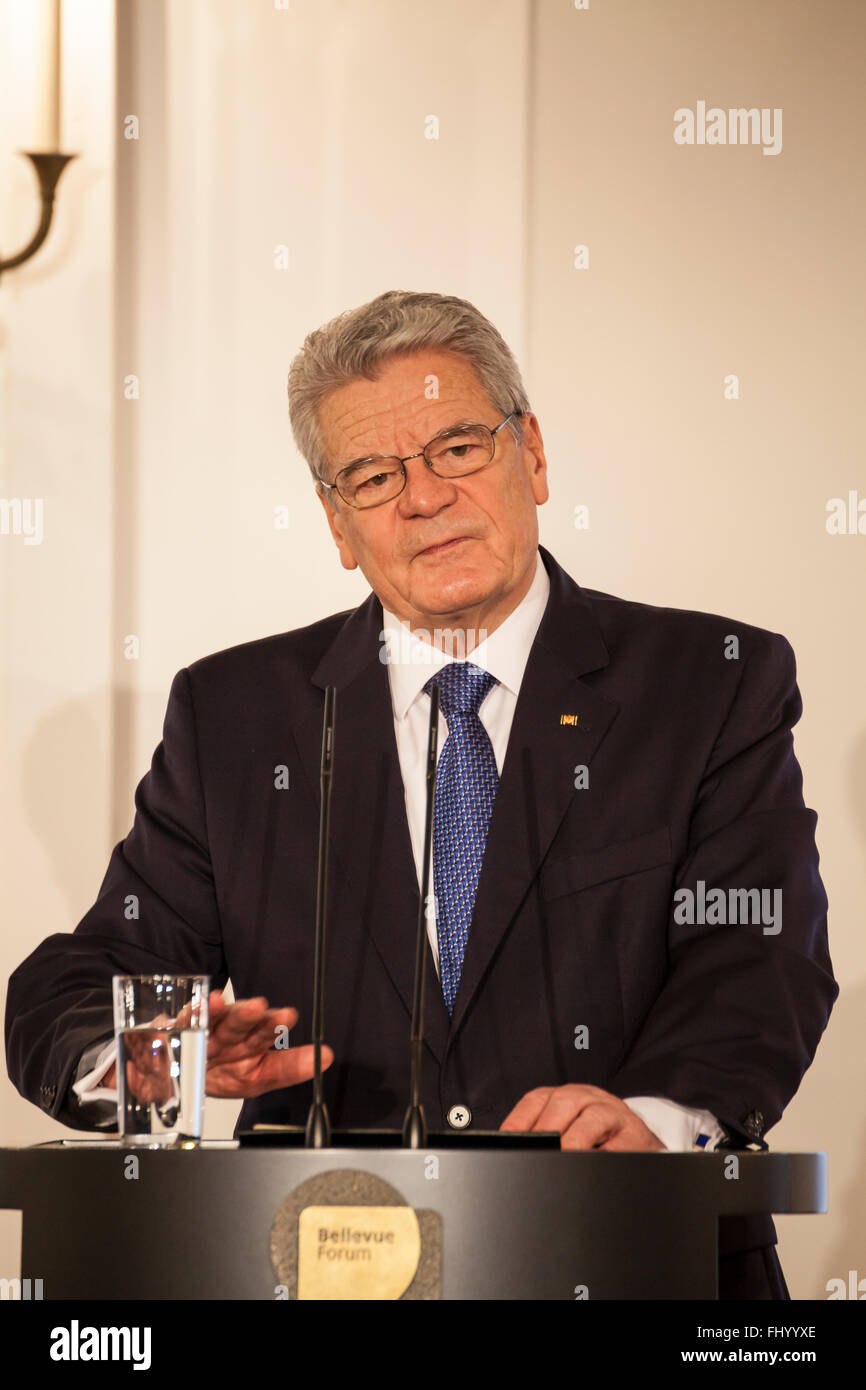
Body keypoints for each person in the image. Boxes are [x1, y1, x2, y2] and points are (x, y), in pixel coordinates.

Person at [5, 290, 838, 1299]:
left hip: (638, 1271)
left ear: (529, 454)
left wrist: (655, 1116)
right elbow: (89, 971)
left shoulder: (706, 681)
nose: (423, 496)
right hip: (314, 1275)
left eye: (455, 448)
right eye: (373, 474)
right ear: (337, 523)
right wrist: (140, 1061)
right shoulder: (236, 716)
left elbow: (757, 957)